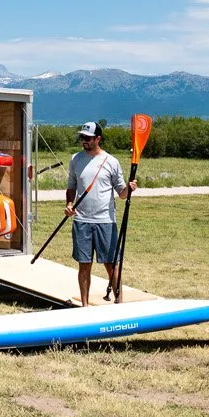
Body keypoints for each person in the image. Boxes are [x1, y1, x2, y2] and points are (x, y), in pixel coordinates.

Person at [65, 120, 136, 306]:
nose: (84, 141)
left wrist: (129, 188)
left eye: (88, 138)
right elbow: (71, 186)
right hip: (81, 220)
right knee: (84, 265)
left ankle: (119, 303)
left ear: (98, 139)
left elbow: (121, 194)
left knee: (111, 264)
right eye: (82, 137)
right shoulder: (75, 159)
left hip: (105, 220)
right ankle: (85, 306)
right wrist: (69, 204)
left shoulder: (111, 162)